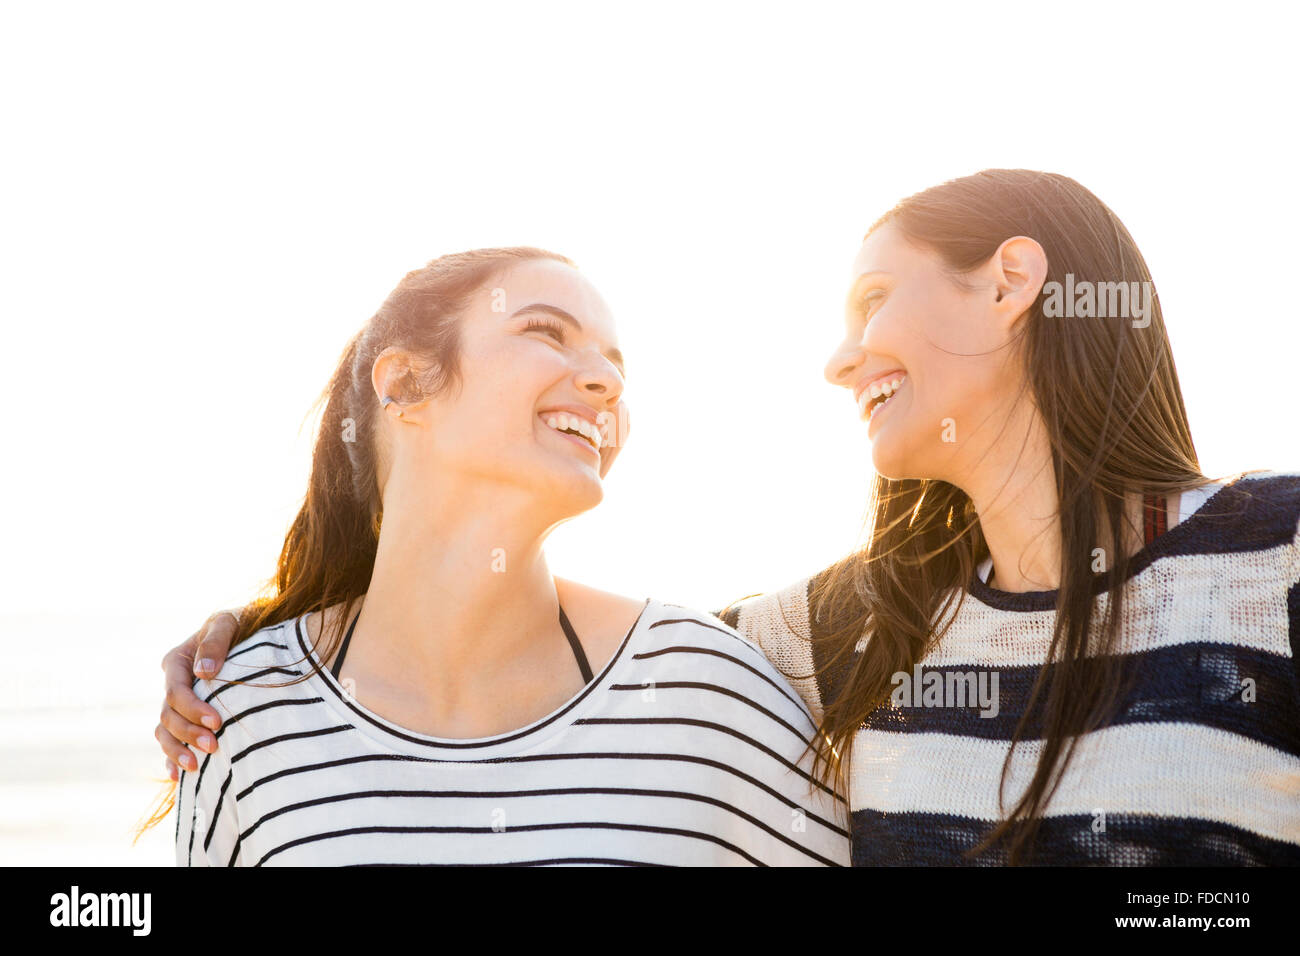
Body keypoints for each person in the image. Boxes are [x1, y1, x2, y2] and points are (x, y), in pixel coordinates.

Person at [155, 172, 1300, 866]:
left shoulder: (1277, 555)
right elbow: (523, 653)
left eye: (870, 301)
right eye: (552, 338)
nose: (839, 356)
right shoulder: (849, 626)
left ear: (1008, 285)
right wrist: (262, 629)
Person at [147, 246, 850, 866]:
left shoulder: (704, 688)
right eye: (546, 332)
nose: (606, 382)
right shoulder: (241, 711)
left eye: (614, 364)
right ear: (405, 385)